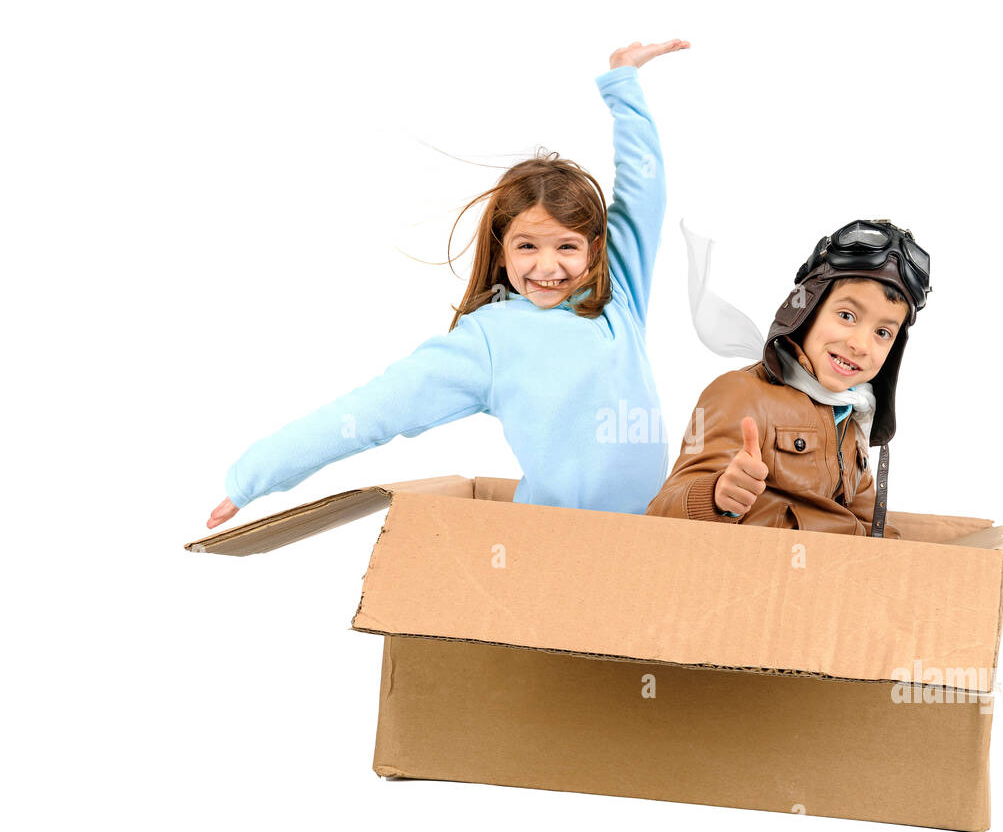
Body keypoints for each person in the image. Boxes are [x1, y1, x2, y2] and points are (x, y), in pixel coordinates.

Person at [206, 39, 690, 530]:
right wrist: (251, 478)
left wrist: (622, 81)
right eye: (527, 246)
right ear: (502, 249)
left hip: (655, 534)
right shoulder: (488, 339)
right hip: (555, 546)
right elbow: (369, 412)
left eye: (566, 246)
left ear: (593, 248)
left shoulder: (617, 294)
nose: (548, 265)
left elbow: (645, 189)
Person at [645, 219, 930, 537]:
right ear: (806, 309)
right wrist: (718, 495)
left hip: (829, 581)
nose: (860, 345)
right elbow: (661, 516)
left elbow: (871, 533)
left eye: (882, 332)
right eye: (846, 315)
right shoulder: (740, 394)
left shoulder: (853, 424)